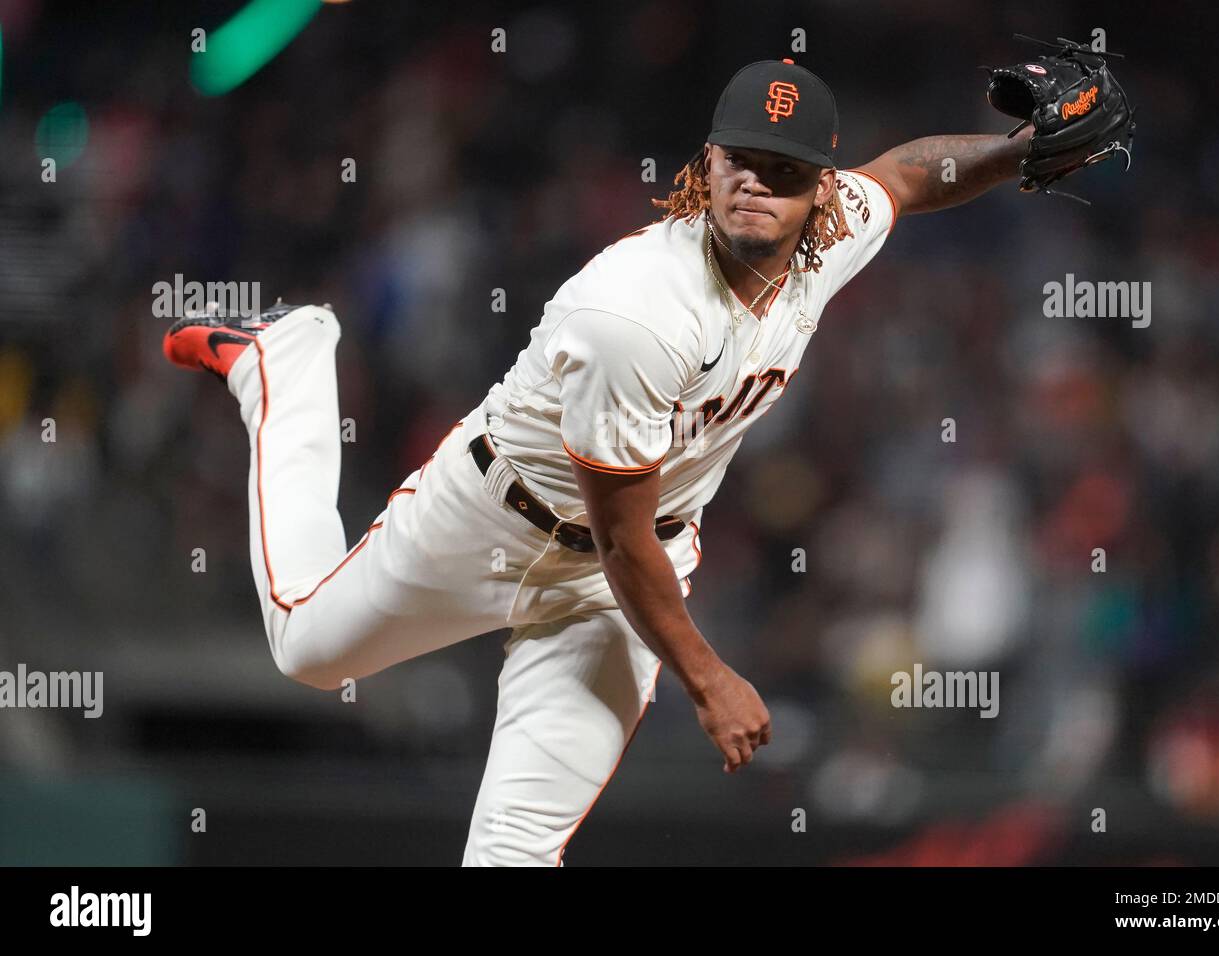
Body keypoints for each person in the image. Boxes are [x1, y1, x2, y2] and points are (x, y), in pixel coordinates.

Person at [162, 58, 1031, 865]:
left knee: (514, 850)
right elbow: (620, 543)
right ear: (710, 158)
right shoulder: (637, 312)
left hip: (616, 584)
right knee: (308, 651)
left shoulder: (828, 235)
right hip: (491, 521)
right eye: (742, 159)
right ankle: (288, 358)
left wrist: (1028, 151)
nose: (758, 184)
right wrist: (709, 678)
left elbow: (910, 175)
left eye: (787, 169)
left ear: (820, 187)